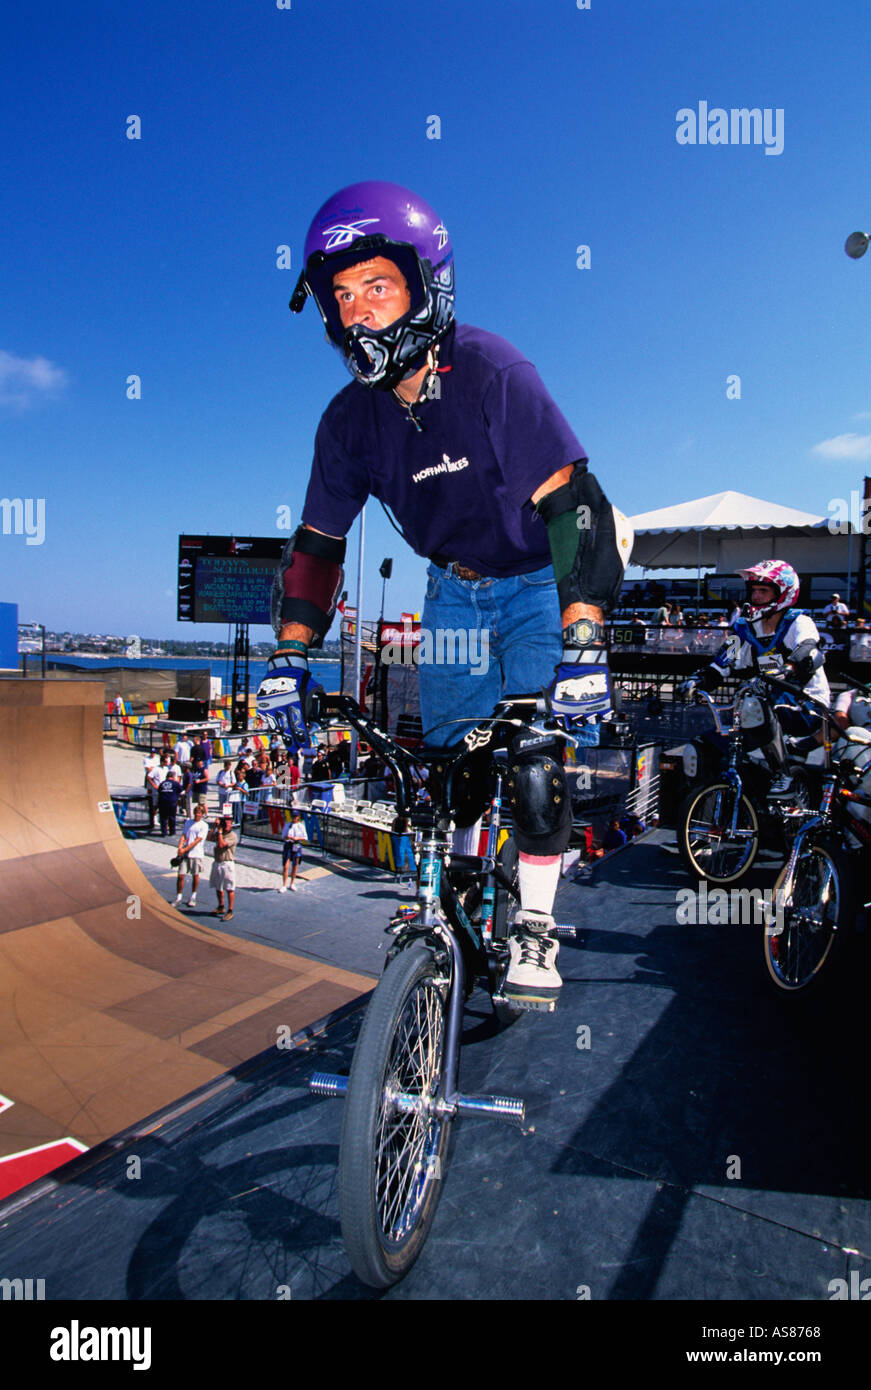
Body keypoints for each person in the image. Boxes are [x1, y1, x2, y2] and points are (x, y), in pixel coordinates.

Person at [256, 180, 632, 1007]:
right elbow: (317, 546)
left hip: (538, 580)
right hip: (454, 593)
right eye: (340, 297)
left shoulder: (493, 371)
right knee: (449, 767)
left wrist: (583, 641)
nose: (356, 314)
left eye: (377, 288)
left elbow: (575, 507)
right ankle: (457, 896)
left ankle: (534, 925)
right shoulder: (346, 423)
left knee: (534, 762)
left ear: (428, 287)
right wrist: (288, 656)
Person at [683, 560, 830, 792]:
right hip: (763, 708)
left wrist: (788, 670)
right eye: (754, 590)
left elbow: (809, 652)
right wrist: (699, 680)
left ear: (783, 594)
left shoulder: (798, 622)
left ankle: (784, 777)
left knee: (755, 707)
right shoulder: (744, 627)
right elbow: (725, 659)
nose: (756, 596)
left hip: (805, 705)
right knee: (702, 746)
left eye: (763, 590)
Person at [173, 803, 209, 909]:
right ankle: (178, 898)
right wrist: (180, 847)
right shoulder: (188, 822)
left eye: (199, 813)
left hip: (196, 853)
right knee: (180, 875)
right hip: (185, 854)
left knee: (195, 875)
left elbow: (197, 841)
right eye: (196, 812)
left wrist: (185, 849)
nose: (197, 814)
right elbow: (184, 835)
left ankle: (193, 896)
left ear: (202, 814)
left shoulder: (204, 825)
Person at [208, 813, 237, 920]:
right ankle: (221, 906)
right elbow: (209, 837)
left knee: (229, 888)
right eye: (225, 821)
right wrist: (214, 827)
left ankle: (230, 910)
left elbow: (221, 845)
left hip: (227, 863)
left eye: (229, 821)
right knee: (217, 886)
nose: (227, 823)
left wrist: (219, 832)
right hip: (217, 861)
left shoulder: (232, 836)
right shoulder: (219, 832)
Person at [279, 811, 306, 891]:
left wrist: (296, 838)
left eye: (296, 816)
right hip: (288, 845)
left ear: (298, 817)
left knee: (295, 865)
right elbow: (283, 836)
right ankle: (284, 885)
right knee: (286, 865)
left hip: (296, 845)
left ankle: (292, 883)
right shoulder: (287, 825)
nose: (294, 818)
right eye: (293, 816)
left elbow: (304, 837)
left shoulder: (301, 826)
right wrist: (287, 837)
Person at [157, 767, 182, 837]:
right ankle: (172, 832)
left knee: (163, 817)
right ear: (172, 776)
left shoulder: (162, 783)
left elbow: (159, 791)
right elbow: (182, 791)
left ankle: (164, 832)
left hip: (163, 802)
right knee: (172, 817)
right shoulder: (176, 783)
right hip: (172, 802)